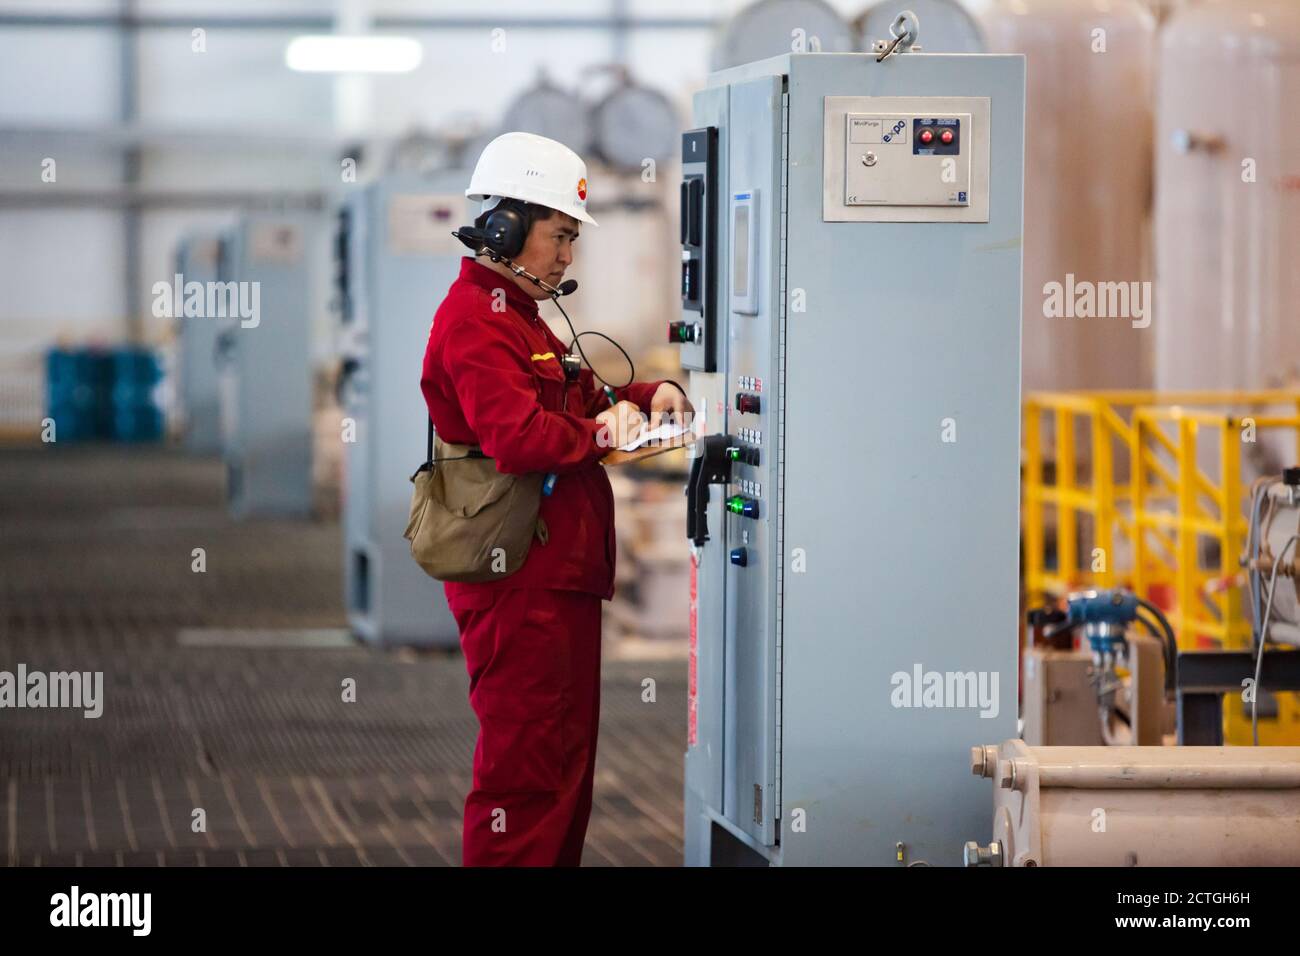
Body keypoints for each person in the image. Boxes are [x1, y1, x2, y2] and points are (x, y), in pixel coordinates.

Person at [420, 131, 694, 866]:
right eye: (562, 235)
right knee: (526, 780)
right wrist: (603, 435)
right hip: (520, 585)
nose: (569, 255)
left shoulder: (522, 318)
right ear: (507, 226)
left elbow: (579, 395)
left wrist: (644, 394)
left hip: (554, 582)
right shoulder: (475, 323)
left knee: (562, 774)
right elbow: (518, 436)